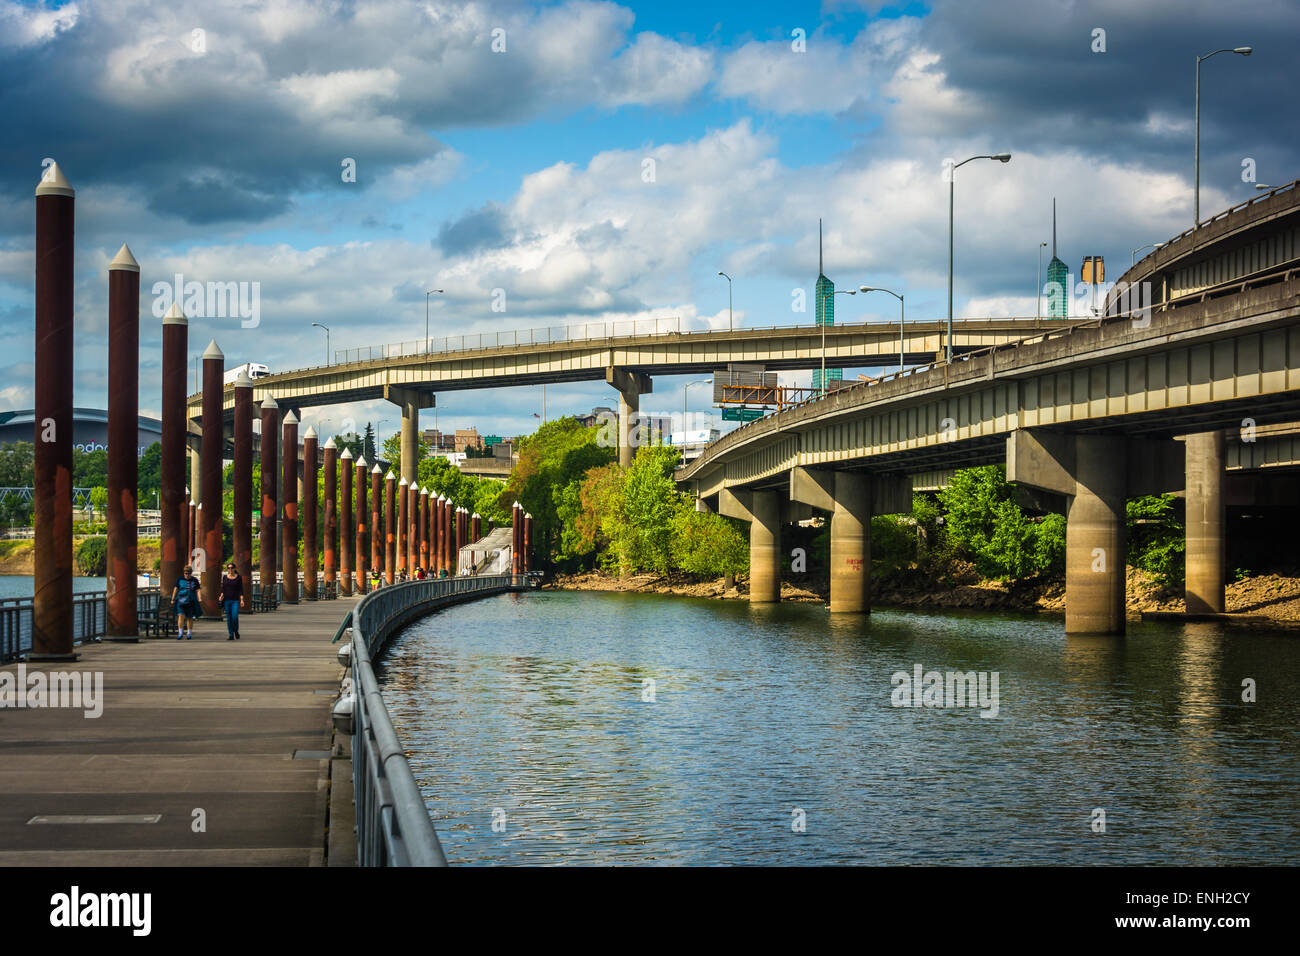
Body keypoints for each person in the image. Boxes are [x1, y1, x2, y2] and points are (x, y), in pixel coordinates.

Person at [171, 565, 201, 640]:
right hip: (180, 600)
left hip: (191, 600)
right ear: (184, 573)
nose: (187, 575)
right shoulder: (179, 579)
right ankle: (180, 633)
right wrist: (173, 599)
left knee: (189, 617)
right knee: (180, 616)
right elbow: (176, 588)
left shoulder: (195, 580)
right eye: (186, 573)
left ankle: (189, 633)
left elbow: (198, 590)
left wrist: (199, 598)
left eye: (189, 573)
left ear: (191, 573)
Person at [221, 563, 245, 640]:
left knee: (234, 617)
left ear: (235, 568)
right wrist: (221, 596)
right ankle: (231, 634)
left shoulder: (238, 577)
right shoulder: (224, 577)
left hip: (235, 600)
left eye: (231, 568)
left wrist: (242, 600)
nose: (230, 569)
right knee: (229, 618)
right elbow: (223, 588)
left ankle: (236, 631)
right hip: (226, 600)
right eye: (228, 568)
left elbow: (241, 589)